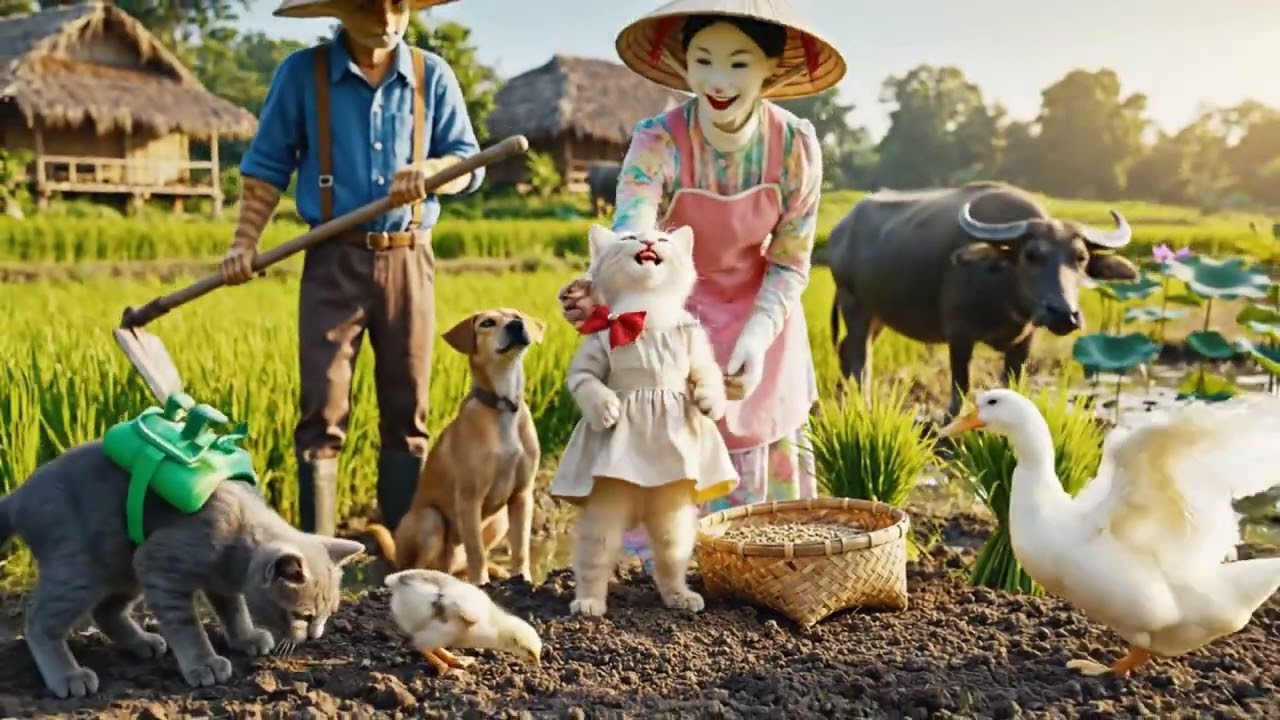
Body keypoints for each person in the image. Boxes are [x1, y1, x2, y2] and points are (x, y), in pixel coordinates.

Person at [557, 0, 847, 565]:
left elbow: (789, 262)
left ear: (770, 68)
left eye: (738, 63)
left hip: (762, 319)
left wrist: (756, 340)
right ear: (683, 64)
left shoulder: (795, 147)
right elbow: (634, 226)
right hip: (671, 320)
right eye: (703, 60)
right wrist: (604, 281)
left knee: (759, 535)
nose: (717, 80)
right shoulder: (658, 140)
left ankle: (748, 584)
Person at [219, 0, 484, 537]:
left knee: (408, 407)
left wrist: (432, 170)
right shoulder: (303, 74)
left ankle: (405, 554)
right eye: (369, 6)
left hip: (408, 256)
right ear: (339, 9)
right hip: (333, 258)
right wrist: (244, 243)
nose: (386, 20)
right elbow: (267, 166)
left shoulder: (432, 75)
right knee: (322, 407)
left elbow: (467, 162)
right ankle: (316, 556)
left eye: (397, 5)